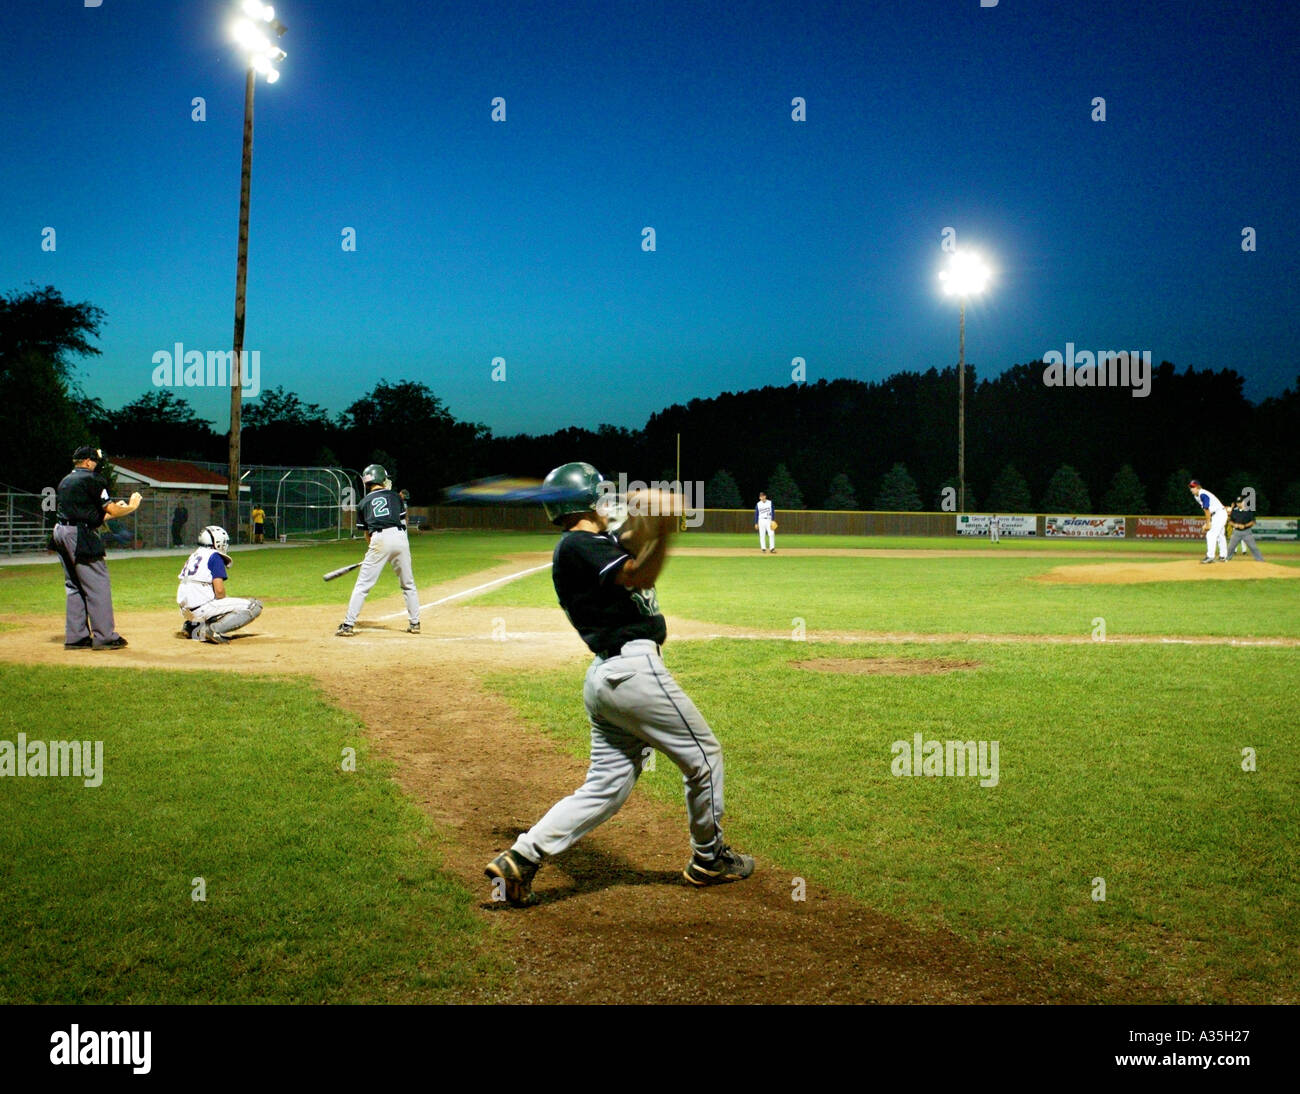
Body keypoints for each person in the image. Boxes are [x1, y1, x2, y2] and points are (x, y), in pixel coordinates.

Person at [484, 461, 753, 907]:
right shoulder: (577, 545)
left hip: (610, 679)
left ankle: (522, 858)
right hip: (633, 673)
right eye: (600, 494)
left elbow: (631, 538)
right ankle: (709, 858)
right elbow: (637, 572)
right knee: (704, 758)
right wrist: (665, 529)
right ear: (587, 501)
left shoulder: (593, 541)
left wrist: (649, 515)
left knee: (606, 785)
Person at [51, 445, 140, 650]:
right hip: (79, 535)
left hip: (61, 532)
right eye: (95, 461)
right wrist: (132, 506)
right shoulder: (92, 479)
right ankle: (105, 637)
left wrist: (119, 509)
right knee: (98, 585)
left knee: (75, 586)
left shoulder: (66, 480)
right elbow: (111, 510)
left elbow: (93, 516)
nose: (96, 465)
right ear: (88, 462)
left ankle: (77, 637)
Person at [335, 464, 421, 636]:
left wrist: (375, 552)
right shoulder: (396, 497)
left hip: (379, 539)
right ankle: (415, 623)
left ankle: (348, 625)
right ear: (381, 478)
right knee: (408, 584)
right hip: (400, 538)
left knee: (363, 585)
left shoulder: (363, 503)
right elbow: (402, 521)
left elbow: (367, 535)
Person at [176, 526, 264, 643]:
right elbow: (219, 591)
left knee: (218, 605)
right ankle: (213, 630)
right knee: (254, 606)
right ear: (216, 542)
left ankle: (192, 627)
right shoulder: (214, 556)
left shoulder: (195, 555)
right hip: (201, 608)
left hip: (185, 609)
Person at [1189, 479, 1228, 563]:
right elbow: (1207, 509)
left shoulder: (1202, 494)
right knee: (1220, 535)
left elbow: (1207, 509)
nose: (1191, 489)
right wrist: (1208, 522)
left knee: (1211, 534)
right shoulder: (1197, 496)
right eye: (1190, 487)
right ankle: (1223, 556)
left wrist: (1208, 524)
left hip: (1219, 514)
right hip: (1219, 513)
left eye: (1193, 487)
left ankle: (1210, 556)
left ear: (1198, 487)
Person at [1225, 495, 1264, 562]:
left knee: (1253, 547)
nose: (1238, 504)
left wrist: (1245, 526)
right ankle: (1227, 559)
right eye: (1237, 502)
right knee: (1230, 548)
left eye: (1240, 502)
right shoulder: (1234, 511)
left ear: (1244, 502)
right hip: (1236, 532)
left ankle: (1260, 561)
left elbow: (1253, 522)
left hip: (1247, 532)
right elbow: (1230, 521)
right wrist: (1235, 525)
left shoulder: (1249, 511)